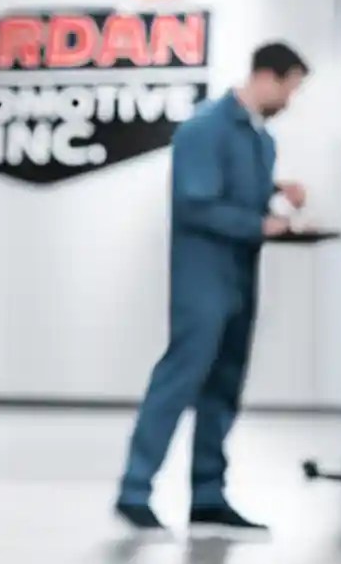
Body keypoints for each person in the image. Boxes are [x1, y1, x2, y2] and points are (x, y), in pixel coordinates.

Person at [114, 42, 311, 534]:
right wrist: (260, 225)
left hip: (241, 277)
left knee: (224, 387)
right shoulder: (204, 129)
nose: (289, 101)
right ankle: (134, 491)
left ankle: (208, 495)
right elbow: (196, 204)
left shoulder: (261, 140)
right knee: (180, 378)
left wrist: (276, 191)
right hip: (202, 280)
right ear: (267, 76)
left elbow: (233, 190)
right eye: (290, 89)